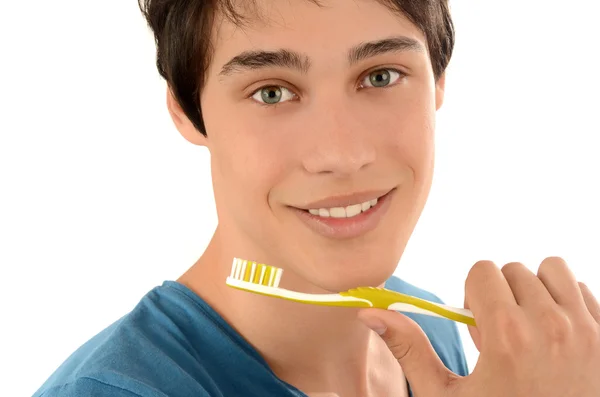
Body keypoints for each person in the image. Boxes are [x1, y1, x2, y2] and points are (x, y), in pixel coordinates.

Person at [33, 0, 600, 396]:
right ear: (189, 110)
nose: (341, 153)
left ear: (438, 82)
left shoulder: (437, 338)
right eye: (272, 91)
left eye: (380, 76)